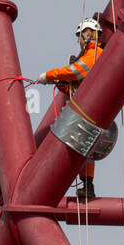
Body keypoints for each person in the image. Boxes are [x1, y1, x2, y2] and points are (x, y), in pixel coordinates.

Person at [34, 18, 104, 200]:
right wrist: (62, 84)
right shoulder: (92, 55)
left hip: (91, 109)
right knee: (83, 147)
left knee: (72, 142)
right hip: (92, 111)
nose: (80, 40)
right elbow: (76, 85)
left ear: (88, 34)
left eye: (81, 36)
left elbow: (76, 71)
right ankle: (87, 185)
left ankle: (44, 185)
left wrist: (48, 76)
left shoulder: (95, 53)